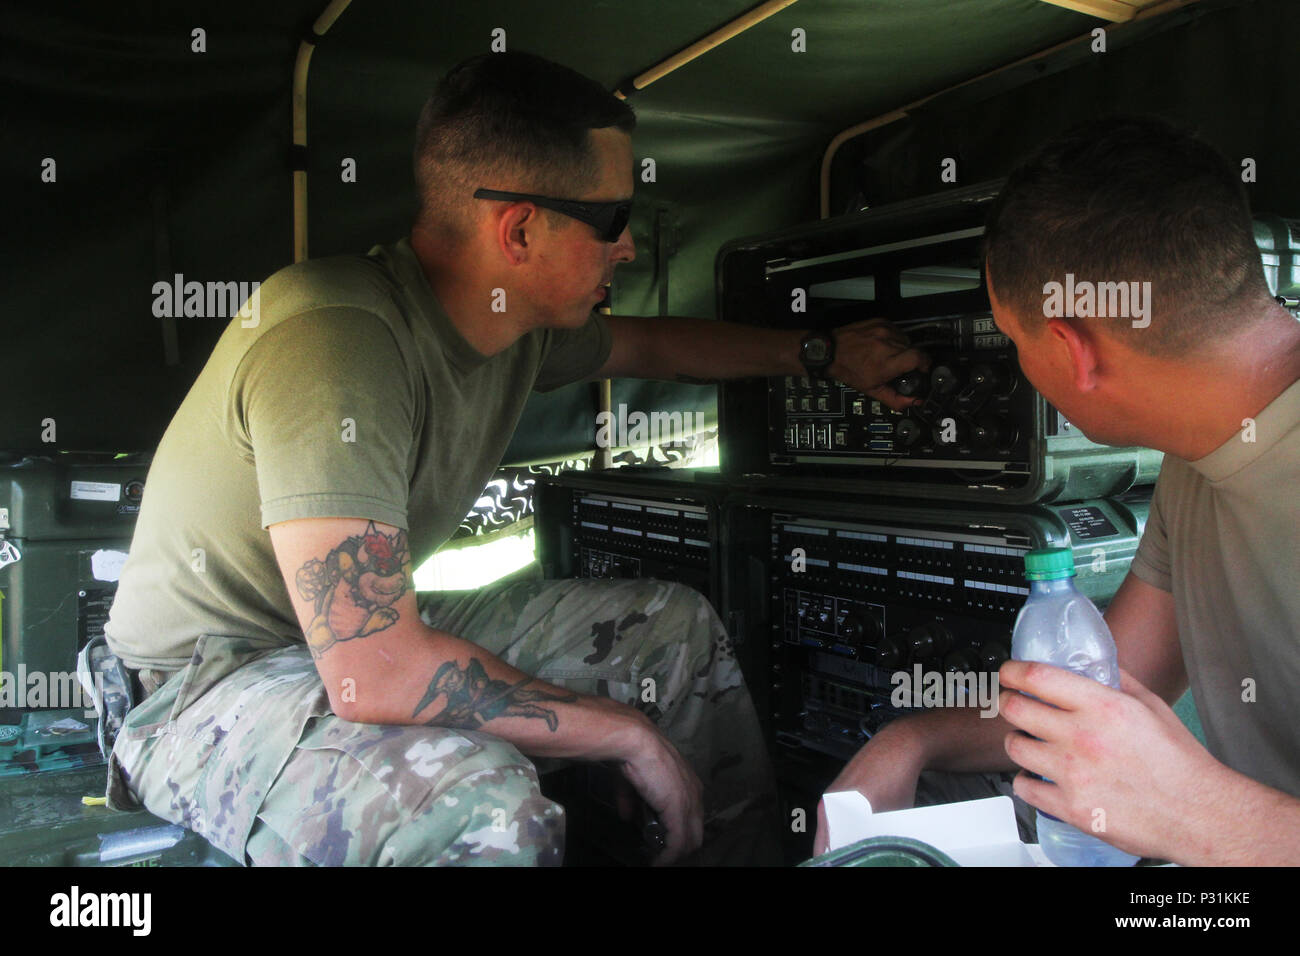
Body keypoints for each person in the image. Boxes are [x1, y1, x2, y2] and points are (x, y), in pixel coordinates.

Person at [101, 51, 928, 866]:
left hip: (353, 647)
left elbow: (655, 343)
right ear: (521, 228)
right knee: (476, 800)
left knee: (669, 633)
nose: (630, 248)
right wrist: (627, 736)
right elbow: (375, 675)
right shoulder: (337, 340)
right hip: (205, 688)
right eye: (611, 220)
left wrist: (819, 353)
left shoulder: (506, 329)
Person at [814, 115, 1300, 865]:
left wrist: (1196, 811)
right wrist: (912, 739)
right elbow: (1109, 683)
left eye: (1015, 341)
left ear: (1072, 348)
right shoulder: (1200, 455)